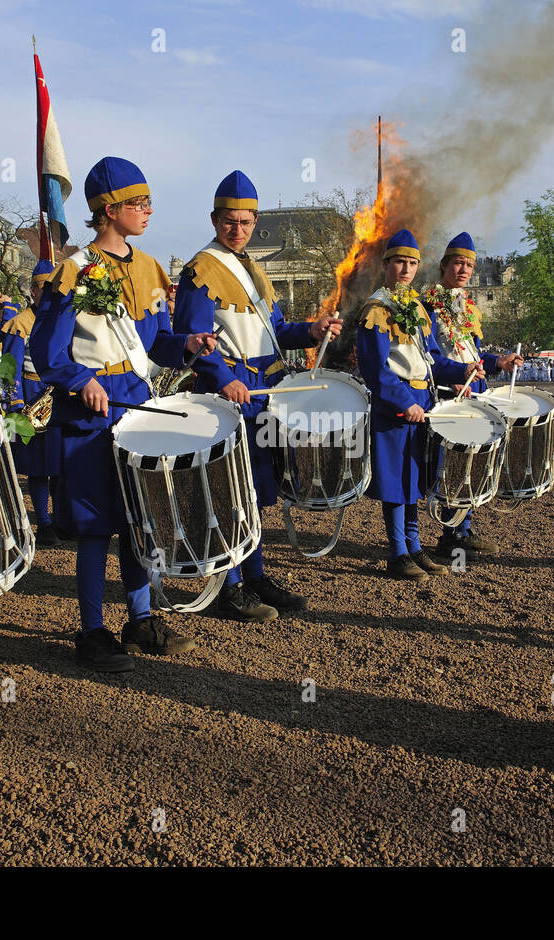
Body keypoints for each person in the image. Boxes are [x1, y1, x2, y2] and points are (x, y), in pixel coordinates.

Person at [32, 156, 216, 669]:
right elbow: (47, 350)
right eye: (139, 203)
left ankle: (139, 621)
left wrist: (190, 345)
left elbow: (155, 342)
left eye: (149, 202)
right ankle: (92, 632)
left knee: (139, 521)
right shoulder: (71, 271)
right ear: (108, 210)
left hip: (135, 408)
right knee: (94, 527)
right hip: (89, 411)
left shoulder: (152, 269)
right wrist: (80, 379)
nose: (149, 211)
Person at [172, 170, 340, 622]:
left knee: (253, 491)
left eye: (246, 222)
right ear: (214, 219)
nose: (238, 229)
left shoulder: (254, 271)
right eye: (230, 221)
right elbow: (193, 336)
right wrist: (221, 376)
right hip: (227, 396)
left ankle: (256, 575)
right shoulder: (200, 270)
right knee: (228, 494)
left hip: (262, 397)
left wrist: (313, 329)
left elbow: (277, 331)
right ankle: (228, 587)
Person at [355, 229, 476, 581]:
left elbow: (434, 360)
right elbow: (375, 369)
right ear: (386, 265)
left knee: (413, 478)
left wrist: (464, 367)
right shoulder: (375, 310)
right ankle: (397, 552)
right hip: (396, 406)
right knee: (395, 480)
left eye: (411, 263)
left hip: (423, 402)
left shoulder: (418, 308)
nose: (405, 270)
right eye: (399, 263)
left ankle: (414, 546)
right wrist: (403, 401)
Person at [421, 232, 522, 559]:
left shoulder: (465, 305)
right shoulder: (428, 303)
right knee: (451, 468)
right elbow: (429, 357)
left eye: (469, 265)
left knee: (471, 465)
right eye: (458, 263)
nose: (463, 270)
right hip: (448, 394)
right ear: (444, 266)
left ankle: (462, 530)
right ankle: (451, 534)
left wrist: (497, 362)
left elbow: (472, 354)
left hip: (473, 392)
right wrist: (458, 373)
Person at [1, 261, 64, 543]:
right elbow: (8, 368)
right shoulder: (19, 323)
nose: (47, 293)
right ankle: (44, 521)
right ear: (32, 291)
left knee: (61, 463)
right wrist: (15, 404)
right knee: (38, 468)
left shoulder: (63, 318)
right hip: (30, 393)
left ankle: (64, 518)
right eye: (42, 288)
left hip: (59, 394)